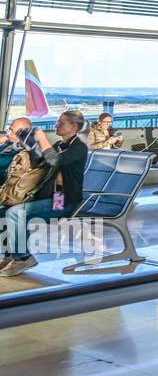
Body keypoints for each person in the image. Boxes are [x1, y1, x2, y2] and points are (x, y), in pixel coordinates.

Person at [0, 110, 87, 277]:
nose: (56, 125)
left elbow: (55, 160)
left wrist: (41, 136)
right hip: (50, 196)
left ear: (73, 126)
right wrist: (28, 144)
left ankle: (23, 258)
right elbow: (41, 161)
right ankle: (10, 255)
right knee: (3, 211)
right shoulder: (60, 145)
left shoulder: (79, 148)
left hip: (63, 200)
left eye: (61, 123)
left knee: (15, 213)